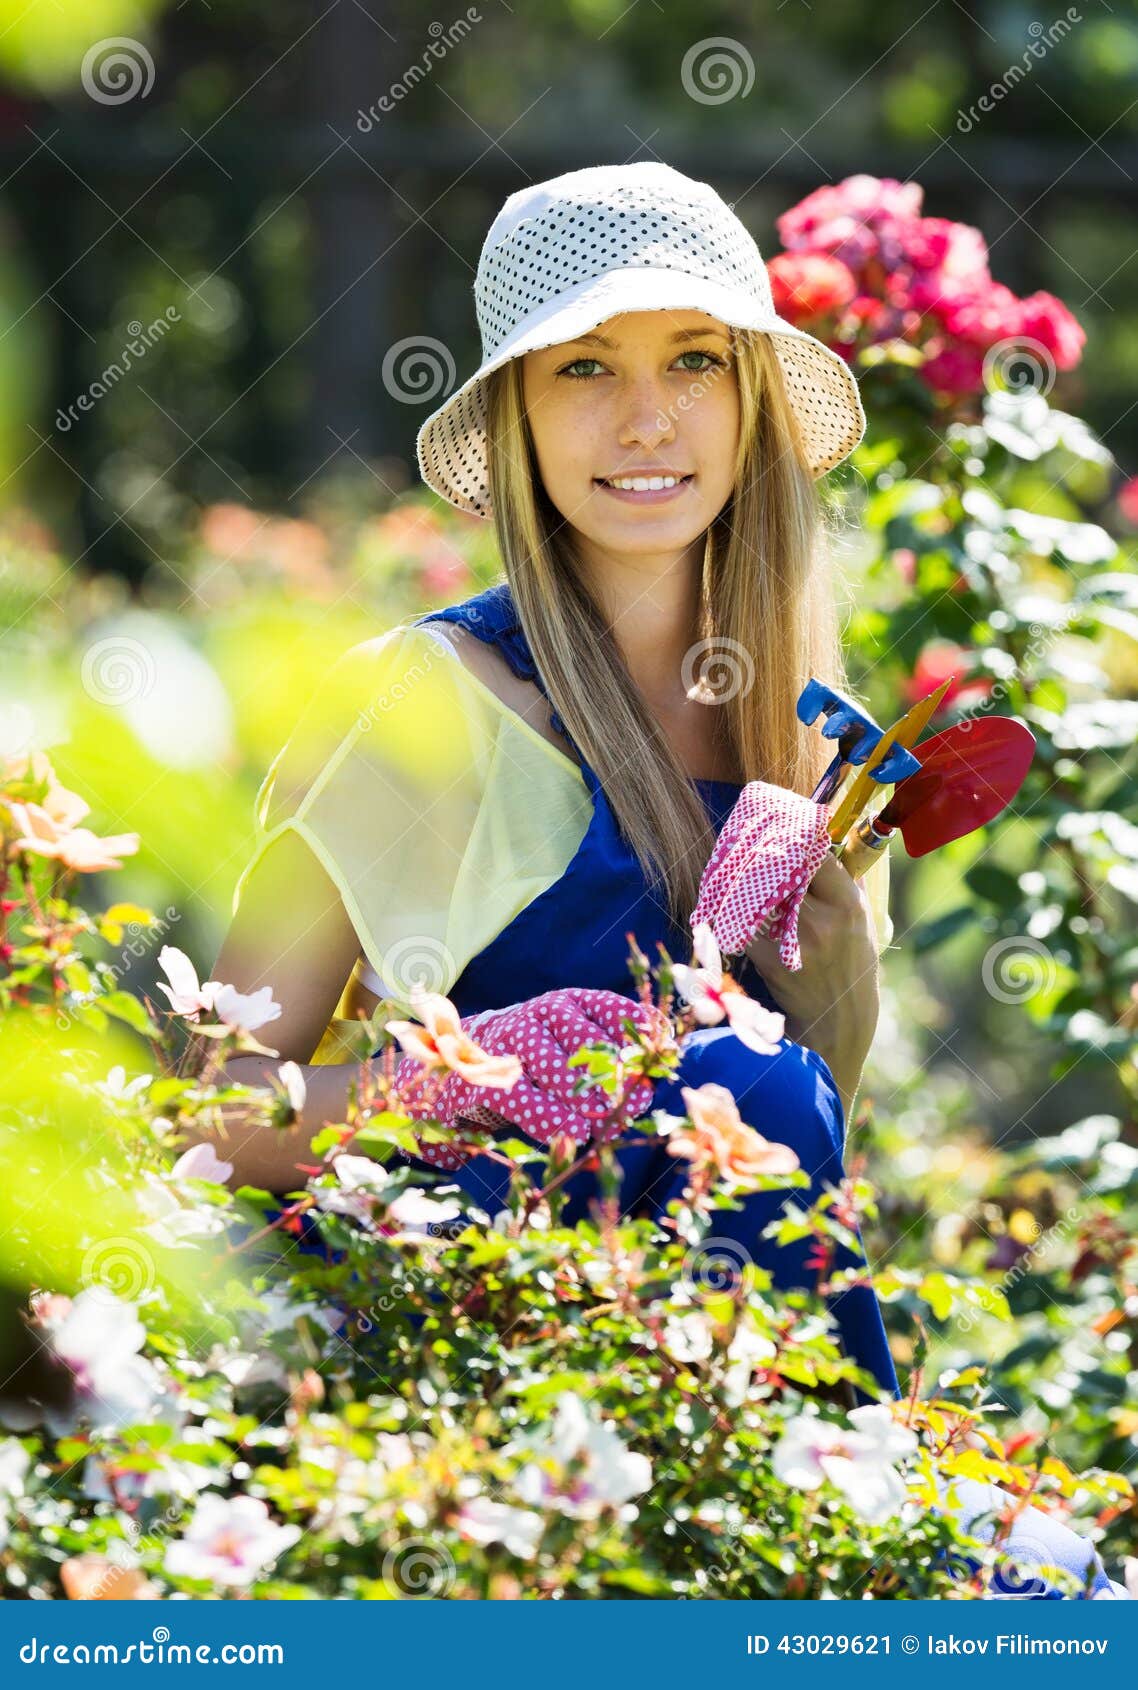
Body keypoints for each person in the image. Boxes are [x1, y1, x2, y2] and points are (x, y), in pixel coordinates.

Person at [207, 162, 1128, 1598]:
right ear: (513, 413)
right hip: (479, 1405)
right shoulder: (419, 706)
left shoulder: (801, 734)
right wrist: (484, 1079)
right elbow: (195, 1104)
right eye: (585, 367)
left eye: (692, 360)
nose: (646, 418)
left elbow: (780, 1174)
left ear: (751, 397)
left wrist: (837, 1002)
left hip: (730, 1416)